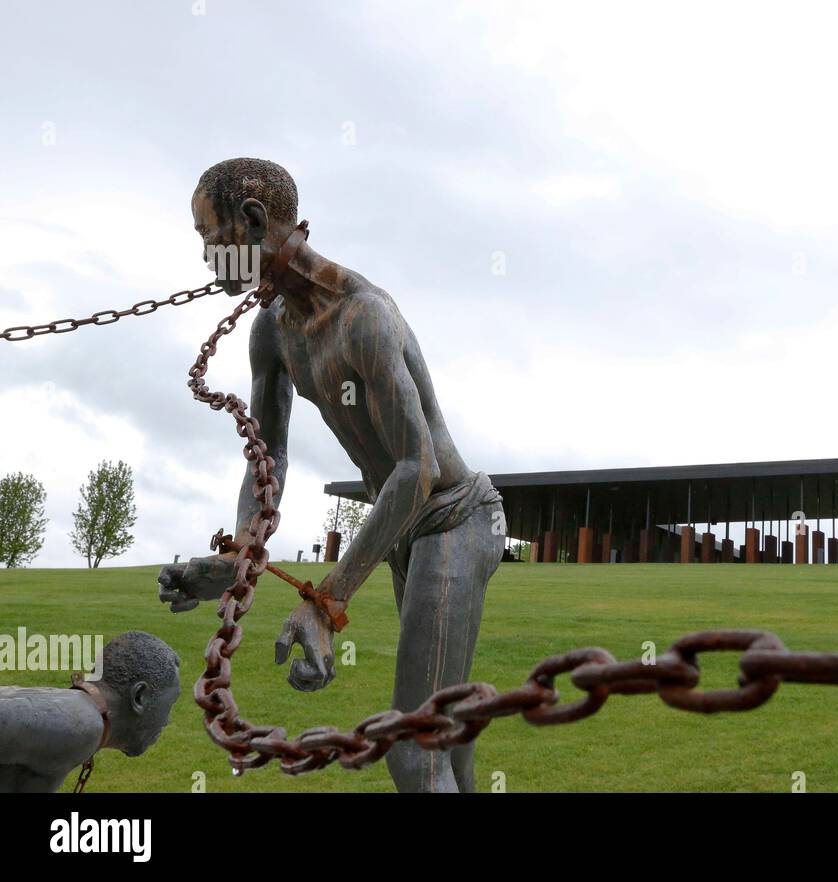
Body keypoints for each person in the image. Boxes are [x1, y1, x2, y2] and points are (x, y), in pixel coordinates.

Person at [157, 158, 504, 793]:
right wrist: (239, 554)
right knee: (444, 730)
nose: (206, 256)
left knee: (414, 748)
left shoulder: (363, 316)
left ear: (254, 221)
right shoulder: (272, 331)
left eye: (211, 238)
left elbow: (416, 466)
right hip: (407, 529)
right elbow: (270, 459)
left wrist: (328, 602)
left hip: (455, 517)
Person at [0, 631, 180, 793]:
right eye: (169, 704)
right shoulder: (81, 722)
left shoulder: (79, 715)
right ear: (140, 697)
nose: (166, 721)